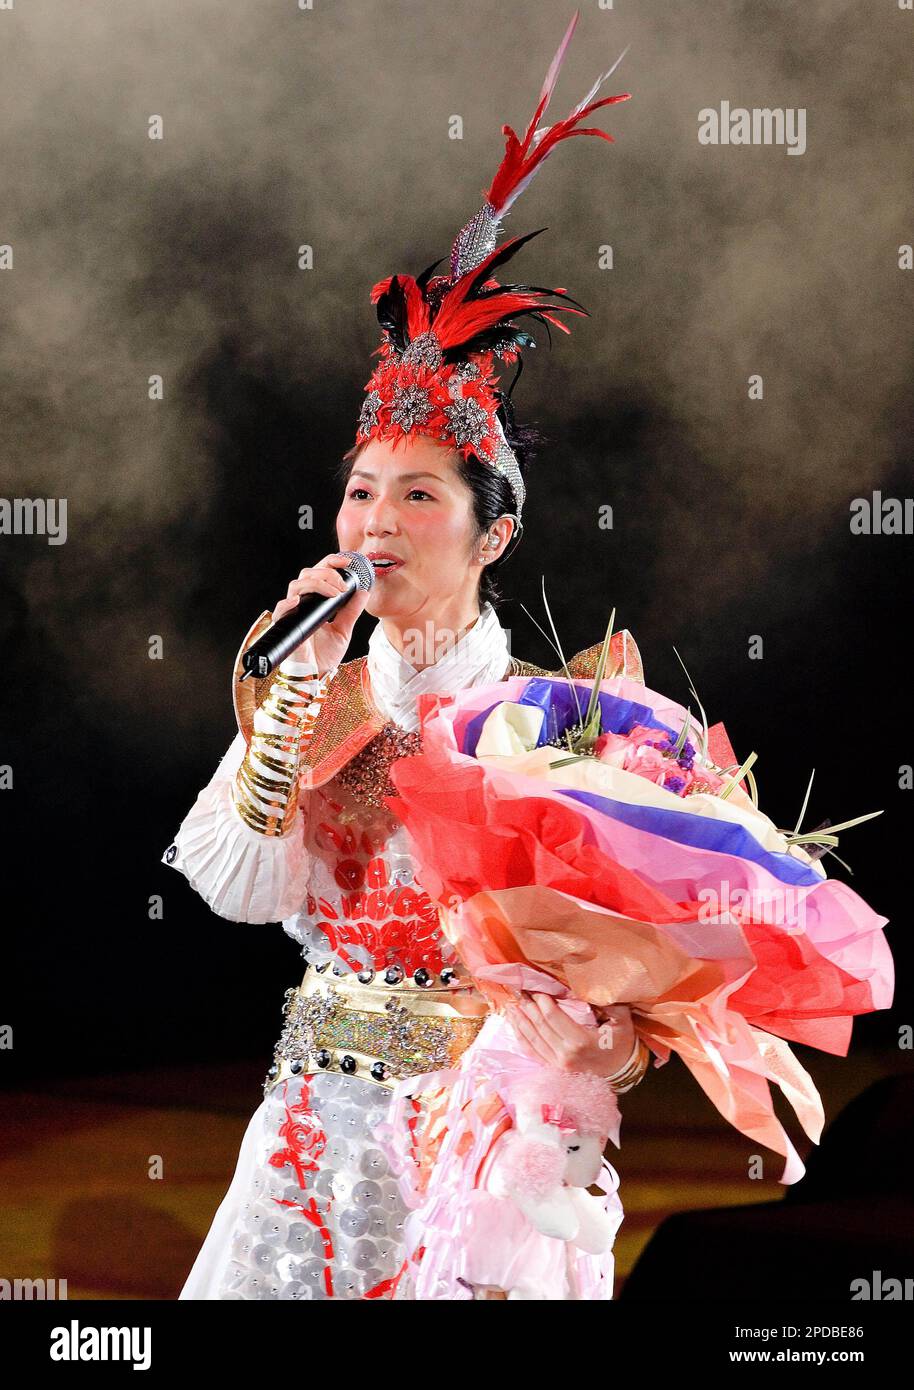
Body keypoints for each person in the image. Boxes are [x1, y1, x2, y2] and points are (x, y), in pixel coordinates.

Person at [163, 13, 646, 1299]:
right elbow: (239, 890)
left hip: (479, 1148)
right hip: (310, 1144)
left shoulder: (574, 722)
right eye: (362, 489)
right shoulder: (303, 684)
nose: (376, 520)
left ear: (497, 532)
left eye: (418, 495)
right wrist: (289, 704)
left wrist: (594, 1048)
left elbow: (646, 1003)